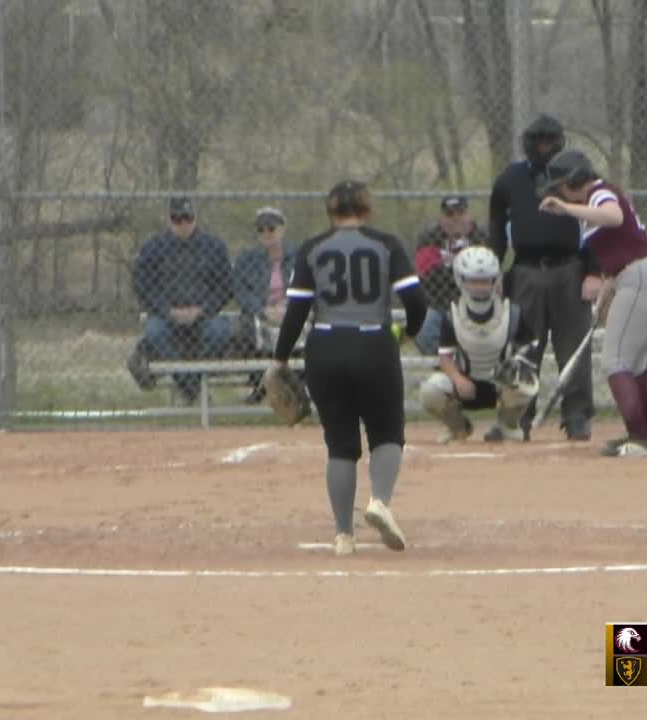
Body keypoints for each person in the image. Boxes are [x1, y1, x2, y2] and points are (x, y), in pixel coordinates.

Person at [272, 180, 429, 556]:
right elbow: (417, 302)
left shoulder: (312, 248)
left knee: (340, 443)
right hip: (375, 341)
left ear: (330, 211)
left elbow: (296, 312)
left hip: (324, 345)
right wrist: (404, 333)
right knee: (387, 431)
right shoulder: (387, 244)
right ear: (366, 208)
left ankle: (344, 535)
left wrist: (278, 359)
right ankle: (379, 503)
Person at [537, 149, 647, 457]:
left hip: (643, 276)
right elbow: (620, 250)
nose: (560, 194)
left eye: (561, 187)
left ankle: (638, 437)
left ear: (573, 179)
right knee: (635, 364)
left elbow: (613, 217)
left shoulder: (600, 193)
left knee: (615, 362)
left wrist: (566, 208)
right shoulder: (596, 200)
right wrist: (606, 294)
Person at [488, 114, 596, 441]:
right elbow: (496, 228)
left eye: (551, 141)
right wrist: (494, 269)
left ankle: (576, 416)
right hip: (526, 270)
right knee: (522, 347)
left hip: (569, 269)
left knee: (573, 346)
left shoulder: (576, 176)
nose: (544, 148)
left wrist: (593, 271)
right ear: (528, 143)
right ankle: (517, 416)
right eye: (539, 142)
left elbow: (594, 228)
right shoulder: (511, 179)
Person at [419, 246, 540, 444]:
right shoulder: (453, 314)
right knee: (430, 390)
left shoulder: (512, 312)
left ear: (495, 281)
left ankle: (507, 426)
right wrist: (458, 379)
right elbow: (445, 358)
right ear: (461, 280)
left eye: (485, 281)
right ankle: (459, 428)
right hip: (466, 385)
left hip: (500, 385)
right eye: (473, 281)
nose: (479, 286)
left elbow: (530, 348)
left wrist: (517, 363)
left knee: (525, 382)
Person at [127, 196, 233, 404]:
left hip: (204, 316)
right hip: (166, 317)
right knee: (154, 332)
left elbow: (226, 287)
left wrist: (202, 310)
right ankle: (194, 389)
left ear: (195, 218)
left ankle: (188, 386)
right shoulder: (153, 248)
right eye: (177, 219)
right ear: (169, 220)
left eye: (188, 218)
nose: (183, 224)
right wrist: (167, 310)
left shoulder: (214, 246)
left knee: (219, 330)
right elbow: (141, 286)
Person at [232, 206, 299, 404]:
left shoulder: (298, 255)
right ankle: (260, 385)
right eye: (261, 230)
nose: (266, 234)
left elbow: (309, 284)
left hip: (291, 310)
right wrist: (263, 310)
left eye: (271, 228)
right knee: (246, 330)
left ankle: (295, 386)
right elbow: (241, 291)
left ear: (282, 229)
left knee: (305, 328)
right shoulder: (247, 258)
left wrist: (290, 306)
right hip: (262, 312)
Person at [412, 195, 489, 355]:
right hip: (440, 304)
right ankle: (447, 367)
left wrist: (449, 267)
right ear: (442, 219)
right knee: (422, 330)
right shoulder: (430, 238)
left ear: (468, 215)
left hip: (476, 305)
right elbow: (428, 276)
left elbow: (487, 274)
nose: (455, 219)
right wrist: (467, 269)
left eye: (460, 213)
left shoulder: (482, 237)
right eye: (449, 214)